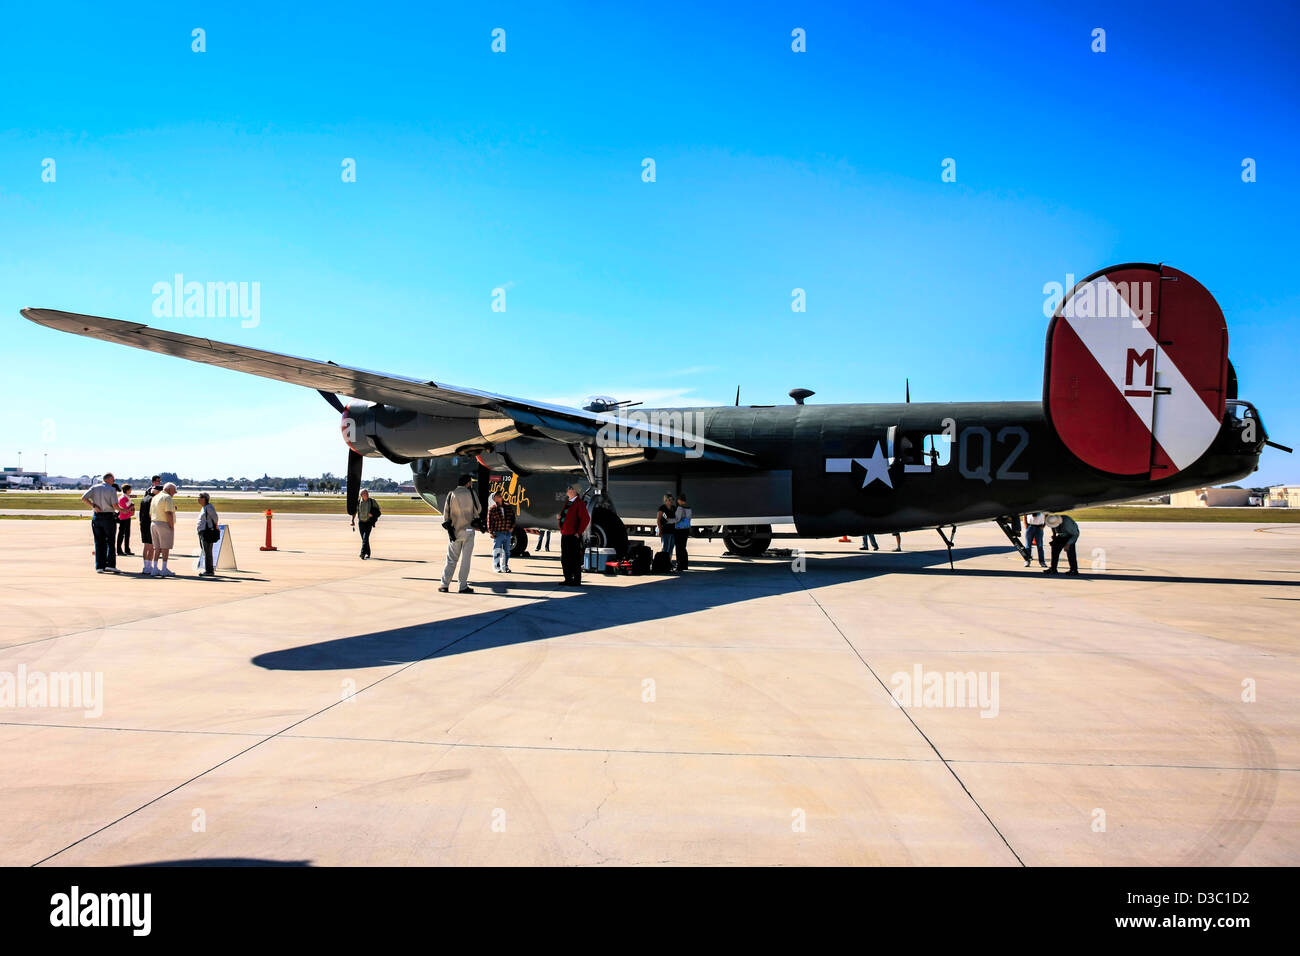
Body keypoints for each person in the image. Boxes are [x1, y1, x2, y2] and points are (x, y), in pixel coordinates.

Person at [439, 474, 481, 593]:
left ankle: (444, 584)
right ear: (468, 483)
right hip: (468, 531)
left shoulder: (451, 494)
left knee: (451, 559)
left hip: (455, 532)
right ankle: (462, 586)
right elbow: (478, 509)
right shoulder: (471, 493)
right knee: (465, 560)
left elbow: (446, 515)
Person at [81, 472, 120, 573]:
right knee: (110, 542)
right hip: (108, 516)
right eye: (113, 479)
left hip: (97, 517)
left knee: (99, 542)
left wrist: (93, 505)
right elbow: (115, 505)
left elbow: (83, 498)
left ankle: (99, 566)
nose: (114, 481)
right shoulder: (111, 489)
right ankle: (110, 564)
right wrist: (123, 510)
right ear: (108, 479)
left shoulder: (95, 487)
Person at [557, 483, 590, 585]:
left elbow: (585, 518)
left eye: (569, 489)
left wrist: (578, 532)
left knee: (574, 558)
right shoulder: (569, 502)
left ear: (574, 491)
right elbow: (566, 516)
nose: (567, 491)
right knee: (565, 558)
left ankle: (576, 580)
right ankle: (568, 578)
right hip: (565, 534)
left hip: (573, 535)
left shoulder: (579, 503)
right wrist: (560, 518)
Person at [148, 482, 179, 577]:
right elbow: (168, 513)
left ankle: (155, 568)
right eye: (174, 491)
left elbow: (150, 513)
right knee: (165, 547)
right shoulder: (167, 497)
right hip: (164, 523)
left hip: (154, 523)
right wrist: (171, 526)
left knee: (157, 547)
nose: (174, 493)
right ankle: (164, 568)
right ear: (169, 490)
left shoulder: (155, 497)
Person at [487, 491, 517, 573]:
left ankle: (505, 567)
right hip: (498, 533)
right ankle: (496, 566)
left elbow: (513, 518)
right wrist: (491, 532)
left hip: (507, 533)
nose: (500, 496)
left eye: (500, 495)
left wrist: (512, 528)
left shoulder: (508, 507)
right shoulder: (492, 509)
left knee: (507, 551)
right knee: (497, 550)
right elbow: (490, 522)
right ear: (494, 498)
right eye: (498, 496)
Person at [139, 476, 162, 574]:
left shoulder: (145, 498)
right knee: (152, 546)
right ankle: (149, 566)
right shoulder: (153, 499)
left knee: (146, 546)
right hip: (150, 523)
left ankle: (146, 566)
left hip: (143, 523)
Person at [351, 489, 382, 559]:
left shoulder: (372, 501)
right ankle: (368, 552)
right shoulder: (358, 502)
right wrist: (352, 520)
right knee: (364, 539)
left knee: (365, 538)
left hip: (369, 522)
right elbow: (355, 512)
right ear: (361, 495)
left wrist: (373, 514)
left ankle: (362, 553)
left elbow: (379, 511)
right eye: (365, 493)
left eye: (367, 493)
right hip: (361, 522)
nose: (367, 494)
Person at [196, 492, 220, 576]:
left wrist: (213, 526)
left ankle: (209, 571)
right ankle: (209, 569)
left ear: (205, 499)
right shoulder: (204, 507)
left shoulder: (209, 507)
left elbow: (215, 518)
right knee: (206, 551)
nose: (198, 499)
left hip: (207, 532)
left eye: (200, 497)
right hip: (202, 532)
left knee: (207, 552)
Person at [672, 493, 693, 572]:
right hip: (686, 529)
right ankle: (685, 565)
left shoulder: (680, 508)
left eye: (678, 500)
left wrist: (669, 520)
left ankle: (679, 565)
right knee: (683, 547)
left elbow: (677, 519)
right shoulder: (689, 508)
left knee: (679, 547)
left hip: (679, 530)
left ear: (680, 500)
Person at [116, 483, 135, 556]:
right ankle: (119, 550)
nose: (131, 490)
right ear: (127, 490)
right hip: (123, 518)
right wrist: (132, 506)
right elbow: (126, 509)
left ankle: (127, 549)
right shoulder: (123, 498)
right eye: (130, 489)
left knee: (127, 534)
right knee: (122, 534)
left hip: (127, 517)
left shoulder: (126, 497)